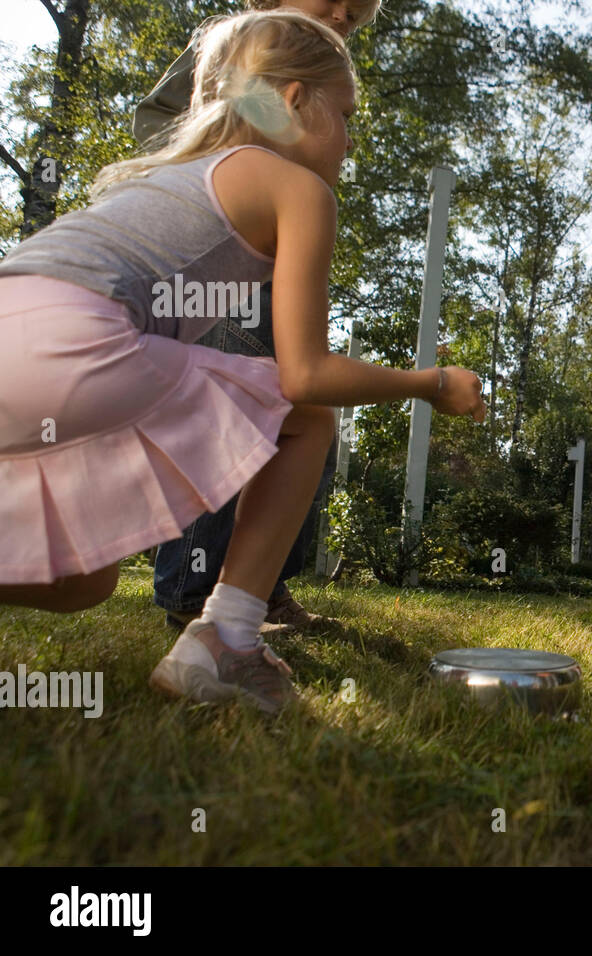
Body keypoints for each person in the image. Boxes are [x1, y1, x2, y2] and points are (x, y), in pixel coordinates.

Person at [0, 10, 486, 715]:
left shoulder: (171, 174)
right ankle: (226, 638)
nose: (349, 141)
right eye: (344, 117)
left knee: (83, 580)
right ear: (292, 101)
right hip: (76, 343)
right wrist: (432, 383)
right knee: (309, 419)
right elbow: (305, 376)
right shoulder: (298, 191)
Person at [135, 0, 383, 635]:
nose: (340, 14)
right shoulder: (239, 50)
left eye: (354, 14)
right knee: (236, 417)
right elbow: (160, 122)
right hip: (216, 258)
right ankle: (195, 590)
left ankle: (263, 587)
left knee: (302, 420)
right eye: (332, 0)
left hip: (271, 264)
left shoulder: (315, 79)